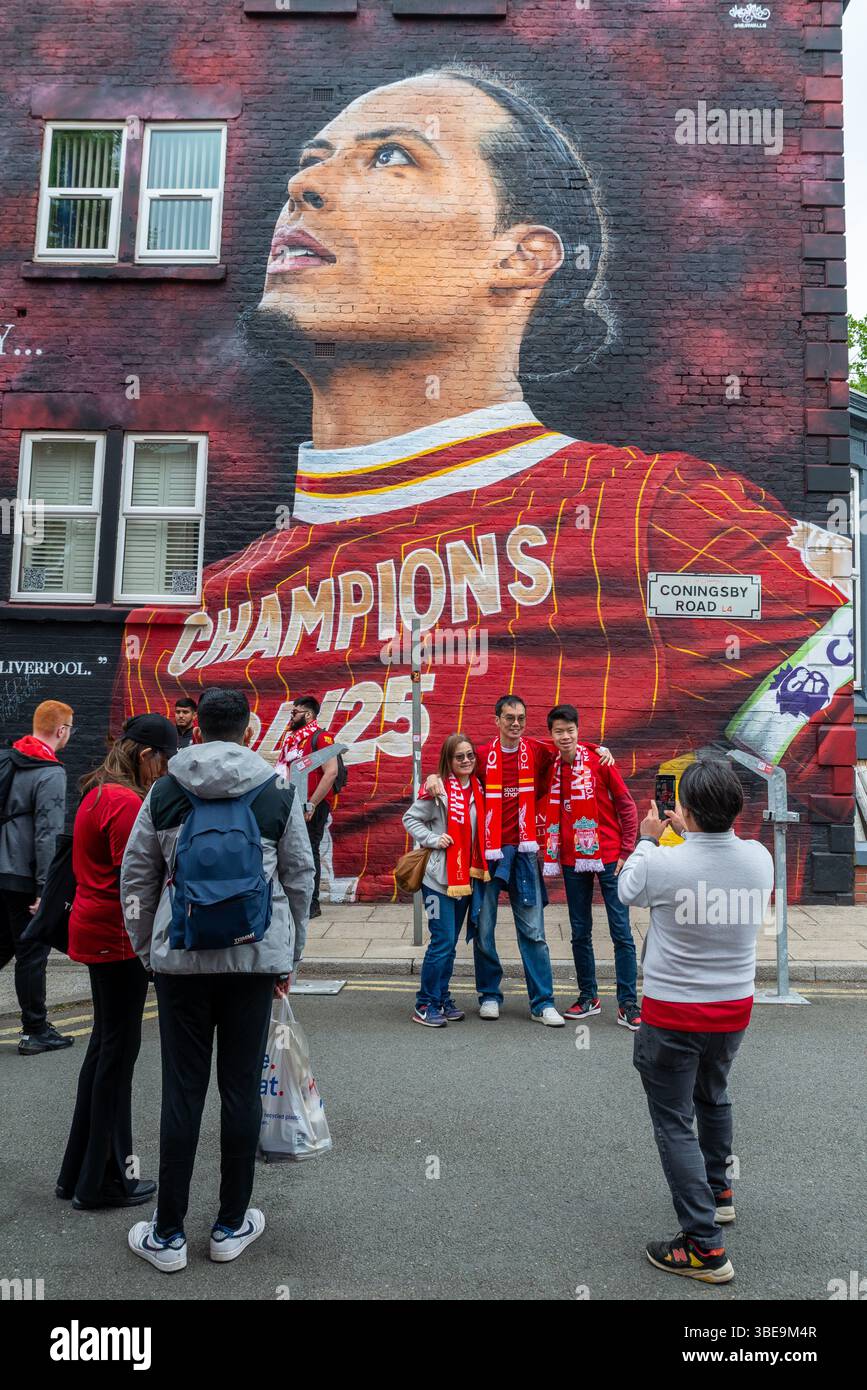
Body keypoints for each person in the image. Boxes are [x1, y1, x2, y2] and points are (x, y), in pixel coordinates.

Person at [116, 67, 851, 902]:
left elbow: (820, 765)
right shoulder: (182, 618)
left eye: (389, 157)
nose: (303, 184)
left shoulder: (663, 517)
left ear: (519, 257)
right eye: (311, 157)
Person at [120, 687, 314, 1273]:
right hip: (253, 962)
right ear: (250, 726)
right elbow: (300, 878)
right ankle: (230, 1226)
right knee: (238, 1090)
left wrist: (147, 952)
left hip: (179, 962)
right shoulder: (275, 788)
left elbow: (137, 878)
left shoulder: (165, 789)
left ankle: (169, 1234)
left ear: (196, 728)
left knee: (182, 1091)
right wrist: (288, 957)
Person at [616, 759, 773, 1284]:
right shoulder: (759, 859)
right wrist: (687, 827)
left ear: (683, 808)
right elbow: (716, 855)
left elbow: (626, 890)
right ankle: (720, 1191)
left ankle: (704, 1245)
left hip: (673, 1013)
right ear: (736, 808)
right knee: (715, 1095)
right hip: (732, 1010)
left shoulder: (661, 862)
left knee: (674, 1120)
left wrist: (647, 837)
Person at [57, 714, 178, 1210]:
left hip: (95, 927)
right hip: (116, 937)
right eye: (165, 762)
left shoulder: (99, 791)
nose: (166, 772)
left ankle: (79, 1174)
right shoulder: (127, 803)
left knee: (103, 1052)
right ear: (147, 756)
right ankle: (103, 1181)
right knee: (117, 1056)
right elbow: (139, 879)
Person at [541, 704, 640, 1030]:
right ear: (552, 734)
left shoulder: (600, 762)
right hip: (571, 859)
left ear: (578, 730)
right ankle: (588, 997)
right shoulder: (552, 765)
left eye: (570, 730)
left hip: (610, 857)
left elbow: (626, 805)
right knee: (579, 931)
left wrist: (627, 850)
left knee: (621, 931)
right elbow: (521, 741)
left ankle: (627, 1003)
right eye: (559, 731)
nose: (565, 736)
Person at [0, 699, 74, 1055]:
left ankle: (36, 1025)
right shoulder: (49, 771)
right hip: (23, 875)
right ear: (62, 731)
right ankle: (34, 1030)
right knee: (32, 951)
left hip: (0, 869)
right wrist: (46, 888)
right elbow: (48, 833)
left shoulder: (7, 758)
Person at [402, 733, 487, 1027]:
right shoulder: (438, 792)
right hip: (438, 881)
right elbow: (410, 819)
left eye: (469, 755)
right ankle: (425, 1003)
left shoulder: (479, 789)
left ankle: (441, 997)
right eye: (459, 756)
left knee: (450, 945)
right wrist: (433, 839)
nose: (466, 760)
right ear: (448, 761)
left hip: (466, 879)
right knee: (441, 941)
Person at [275, 695, 338, 919]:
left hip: (313, 805)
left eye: (295, 712)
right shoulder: (293, 740)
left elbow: (331, 772)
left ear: (308, 715)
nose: (291, 716)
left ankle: (312, 903)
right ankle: (297, 898)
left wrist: (311, 803)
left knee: (309, 851)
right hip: (291, 802)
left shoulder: (322, 737)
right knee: (293, 851)